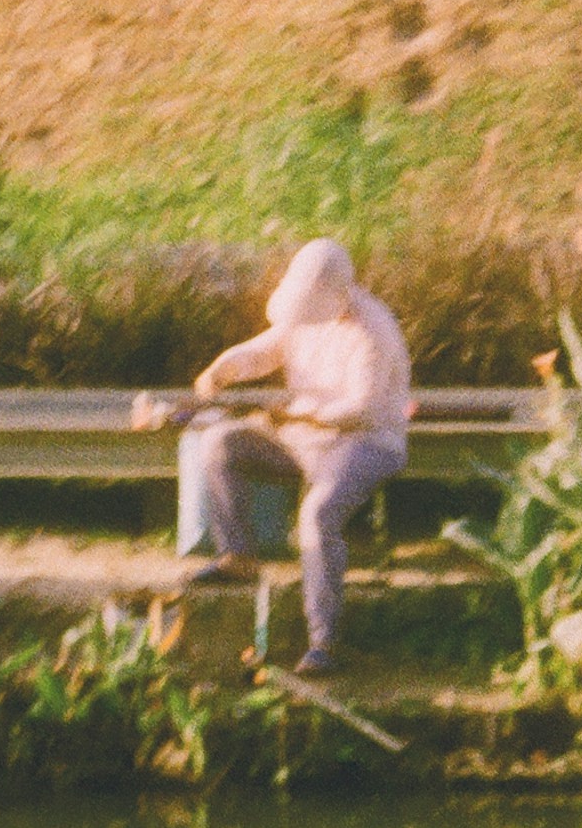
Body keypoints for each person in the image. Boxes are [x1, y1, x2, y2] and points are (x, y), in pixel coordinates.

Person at [142, 236, 410, 671]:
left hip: (365, 444)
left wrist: (301, 414)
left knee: (317, 515)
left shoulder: (374, 331)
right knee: (219, 443)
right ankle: (238, 556)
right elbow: (265, 350)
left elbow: (360, 409)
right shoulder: (302, 316)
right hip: (302, 435)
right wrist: (223, 368)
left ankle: (323, 641)